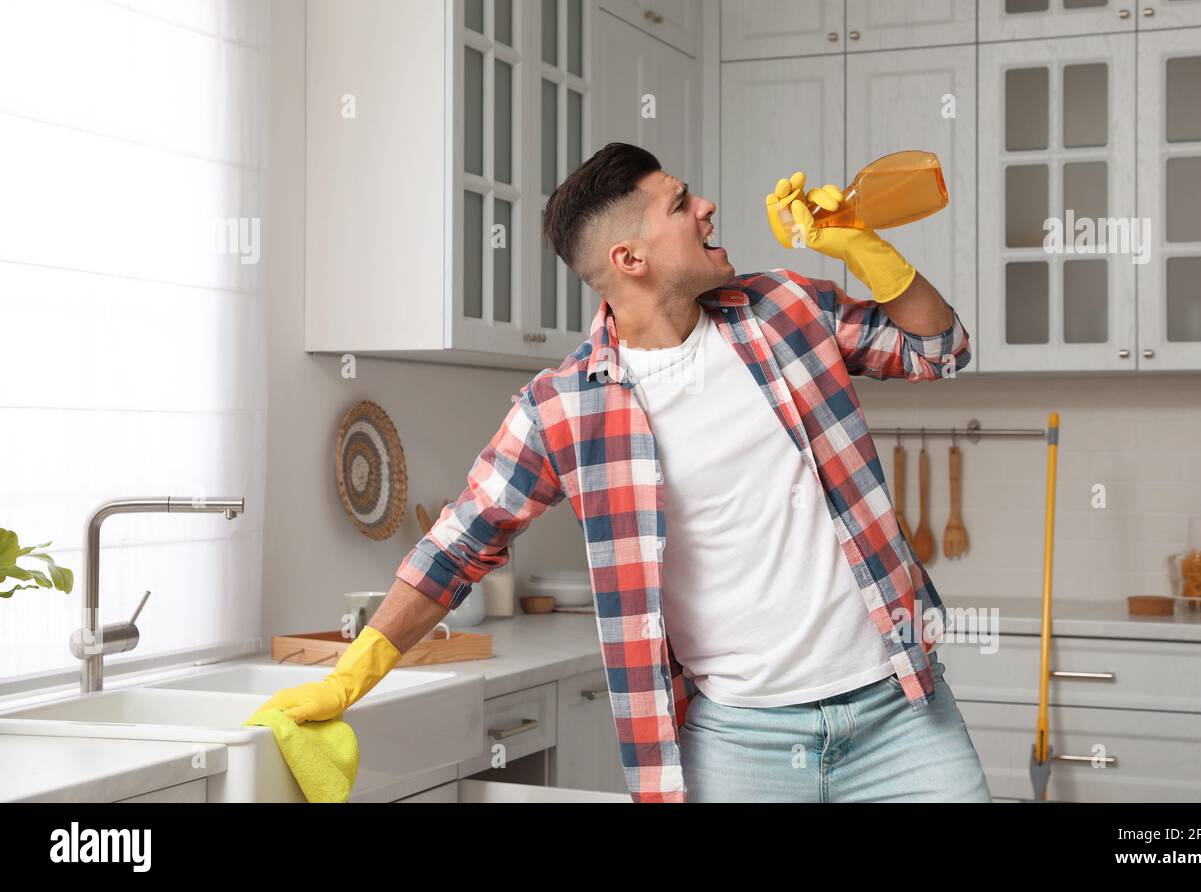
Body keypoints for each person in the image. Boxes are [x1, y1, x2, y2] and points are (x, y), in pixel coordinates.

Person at [256, 141, 990, 803]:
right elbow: (454, 549)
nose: (705, 208)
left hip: (901, 712)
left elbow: (939, 349)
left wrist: (865, 248)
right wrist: (348, 677)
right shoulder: (562, 410)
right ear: (630, 260)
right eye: (679, 204)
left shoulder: (785, 311)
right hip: (740, 744)